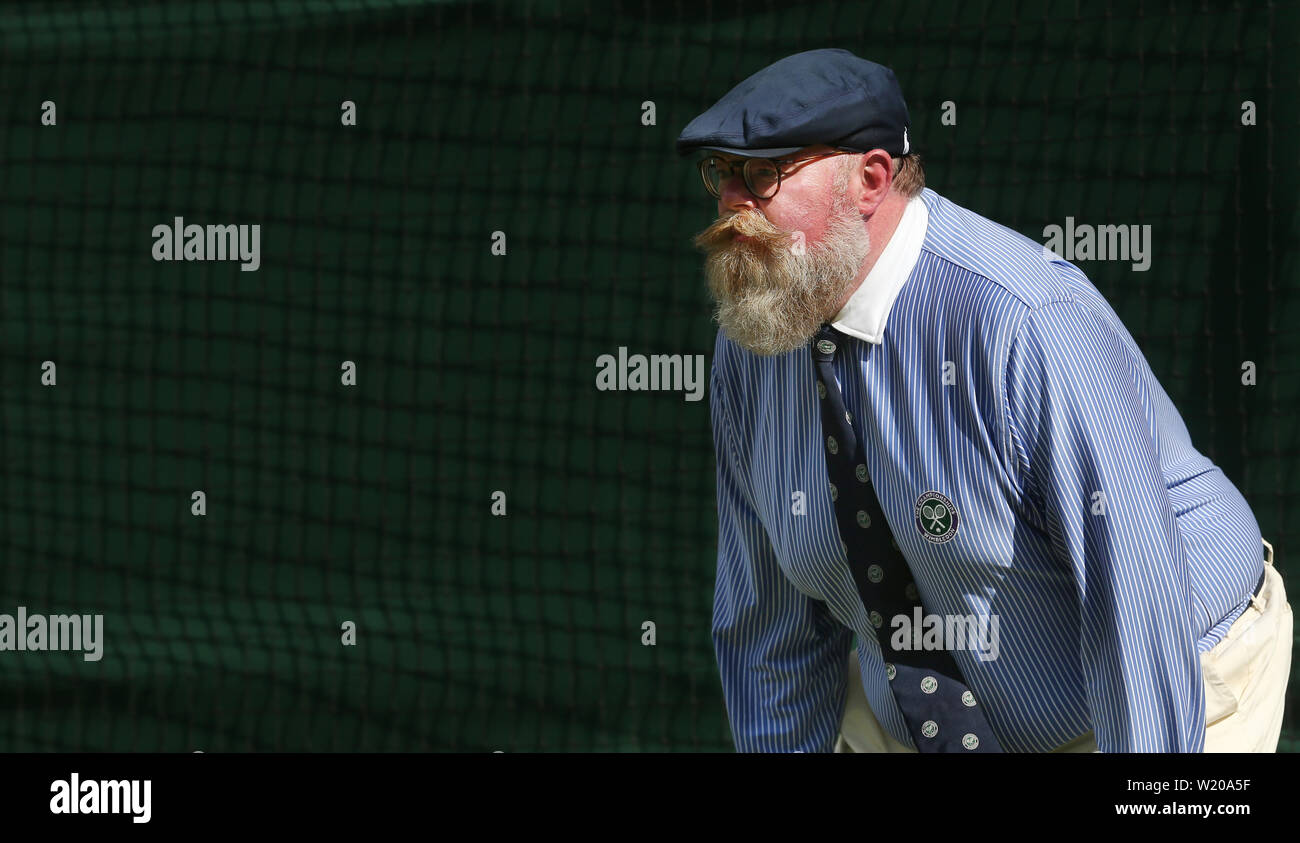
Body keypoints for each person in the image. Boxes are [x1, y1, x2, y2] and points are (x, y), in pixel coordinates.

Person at [678, 47, 1291, 752]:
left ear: (870, 179)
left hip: (1177, 680)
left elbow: (1136, 602)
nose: (730, 206)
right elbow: (769, 627)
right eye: (720, 175)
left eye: (761, 175)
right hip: (913, 718)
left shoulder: (1025, 322)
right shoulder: (752, 341)